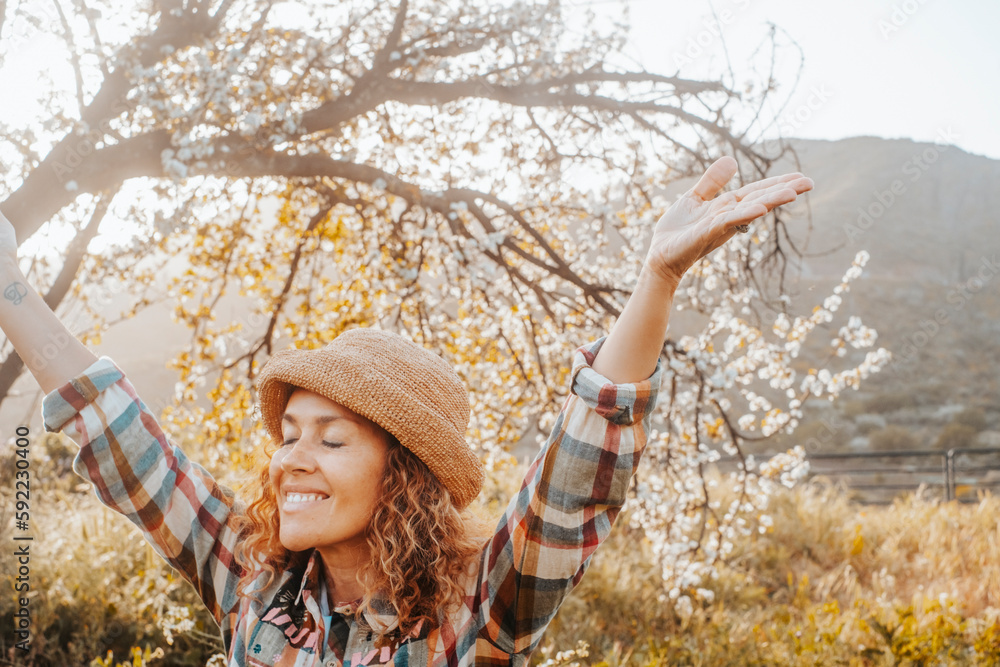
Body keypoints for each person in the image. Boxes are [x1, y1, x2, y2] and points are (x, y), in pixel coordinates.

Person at [0, 156, 812, 666]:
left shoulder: (476, 614)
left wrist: (655, 283)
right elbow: (119, 436)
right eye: (288, 436)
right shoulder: (252, 583)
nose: (290, 460)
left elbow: (572, 482)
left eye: (331, 437)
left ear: (403, 472)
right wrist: (10, 284)